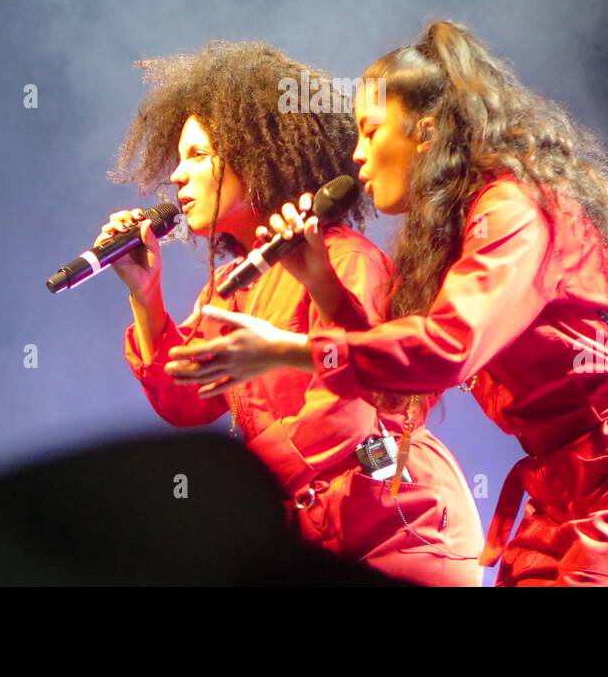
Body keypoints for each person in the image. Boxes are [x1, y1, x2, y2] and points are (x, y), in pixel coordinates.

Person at [168, 22, 608, 586]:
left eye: (370, 131)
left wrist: (288, 350)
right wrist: (323, 287)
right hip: (565, 484)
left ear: (427, 130)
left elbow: (447, 348)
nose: (357, 155)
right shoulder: (459, 234)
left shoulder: (513, 207)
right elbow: (398, 390)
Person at [102, 40, 483, 586]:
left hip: (398, 530)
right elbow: (186, 401)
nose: (178, 177)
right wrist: (145, 292)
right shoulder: (230, 290)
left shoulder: (344, 258)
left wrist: (237, 484)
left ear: (256, 154)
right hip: (318, 541)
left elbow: (345, 416)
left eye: (197, 155)